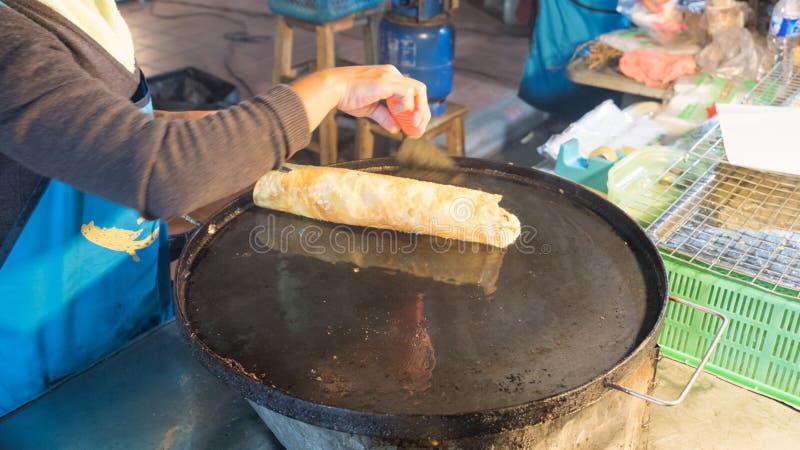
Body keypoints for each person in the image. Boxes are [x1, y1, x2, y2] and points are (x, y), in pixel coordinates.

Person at [0, 0, 431, 416]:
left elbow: (106, 133)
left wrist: (254, 167)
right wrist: (333, 87)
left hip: (124, 322)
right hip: (32, 382)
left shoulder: (86, 10)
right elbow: (158, 170)